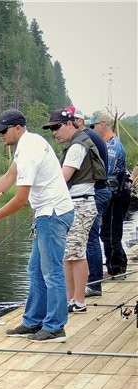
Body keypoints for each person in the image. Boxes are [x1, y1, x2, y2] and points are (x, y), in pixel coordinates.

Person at [0, 109, 74, 343]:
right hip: (46, 214)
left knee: (52, 273)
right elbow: (9, 175)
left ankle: (56, 327)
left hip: (53, 214)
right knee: (35, 270)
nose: (0, 135)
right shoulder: (30, 142)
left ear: (18, 128)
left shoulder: (28, 151)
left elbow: (20, 199)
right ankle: (33, 322)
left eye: (3, 130)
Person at [42, 108, 105, 313]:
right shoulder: (76, 143)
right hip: (76, 203)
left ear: (71, 123)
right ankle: (71, 299)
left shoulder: (77, 146)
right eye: (51, 128)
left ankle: (79, 301)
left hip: (80, 204)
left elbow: (63, 177)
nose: (54, 132)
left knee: (76, 254)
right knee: (70, 254)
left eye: (57, 127)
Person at [63, 108, 111, 298]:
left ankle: (93, 285)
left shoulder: (82, 140)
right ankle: (87, 285)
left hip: (94, 192)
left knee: (89, 239)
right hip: (97, 190)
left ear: (76, 122)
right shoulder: (88, 136)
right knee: (85, 241)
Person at [87, 109, 129, 277]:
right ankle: (117, 265)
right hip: (114, 192)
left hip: (116, 194)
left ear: (102, 125)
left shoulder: (112, 147)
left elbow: (107, 174)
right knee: (109, 232)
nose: (92, 129)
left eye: (93, 125)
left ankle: (116, 268)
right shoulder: (106, 143)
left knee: (110, 233)